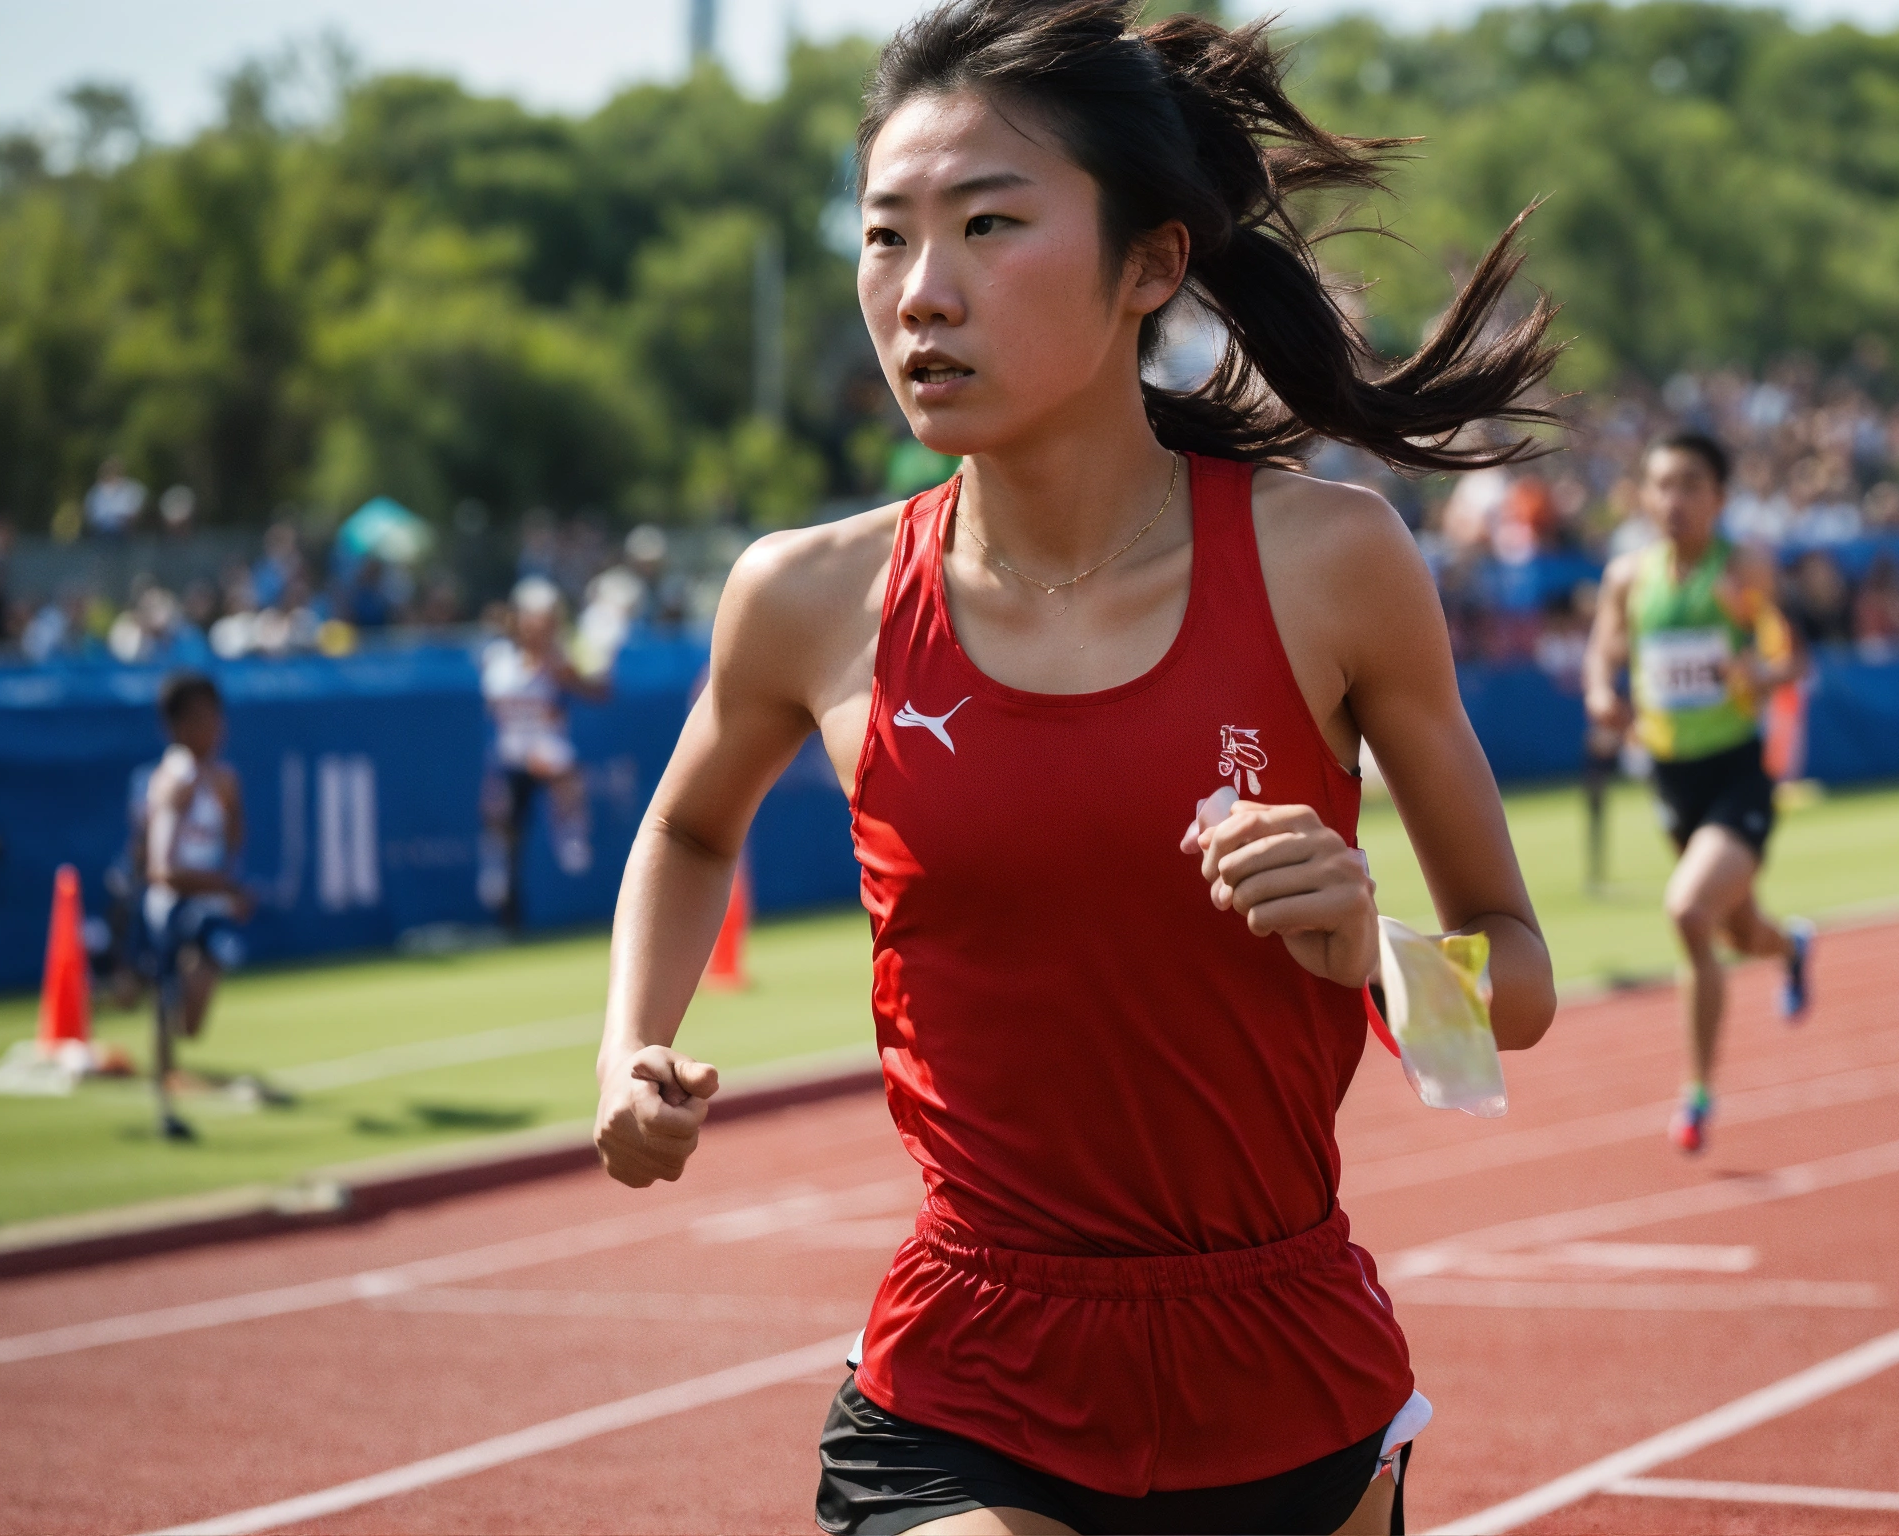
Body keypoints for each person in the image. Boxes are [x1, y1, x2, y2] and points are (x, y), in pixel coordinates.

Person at [590, 3, 1559, 1530]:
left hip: (1288, 1374)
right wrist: (628, 1045)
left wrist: (1373, 953)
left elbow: (1512, 999)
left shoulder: (1331, 565)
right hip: (972, 1367)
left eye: (988, 226)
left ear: (1149, 266)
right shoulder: (808, 598)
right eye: (885, 236)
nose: (922, 291)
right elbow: (689, 828)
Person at [1584, 432, 1812, 1156]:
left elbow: (1792, 659)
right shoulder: (1629, 577)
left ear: (1719, 498)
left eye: (1689, 485)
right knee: (1737, 933)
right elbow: (1603, 653)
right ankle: (1791, 947)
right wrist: (1601, 695)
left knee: (1688, 912)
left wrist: (1757, 673)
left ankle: (1697, 1096)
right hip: (1671, 780)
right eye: (1662, 485)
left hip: (1737, 774)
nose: (1673, 500)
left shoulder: (1742, 570)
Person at [143, 671, 250, 1141]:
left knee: (190, 1018)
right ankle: (164, 1102)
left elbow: (233, 841)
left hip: (205, 903)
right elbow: (162, 869)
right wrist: (223, 889)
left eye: (217, 716)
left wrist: (231, 807)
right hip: (175, 906)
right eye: (205, 718)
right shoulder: (175, 783)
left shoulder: (219, 778)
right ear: (180, 726)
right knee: (169, 1005)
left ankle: (166, 1078)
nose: (217, 727)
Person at [478, 577, 606, 929]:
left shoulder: (560, 658)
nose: (537, 626)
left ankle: (571, 830)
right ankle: (501, 888)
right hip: (511, 754)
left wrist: (570, 670)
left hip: (548, 749)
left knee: (563, 767)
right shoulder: (497, 658)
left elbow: (598, 691)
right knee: (501, 818)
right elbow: (493, 709)